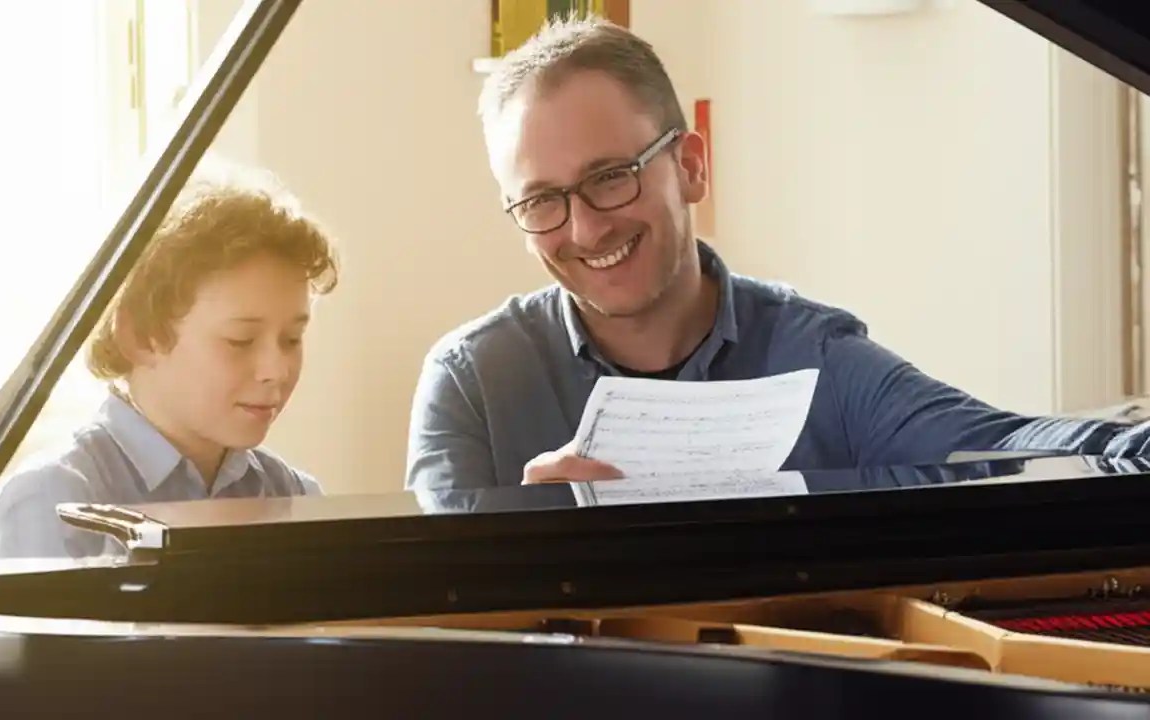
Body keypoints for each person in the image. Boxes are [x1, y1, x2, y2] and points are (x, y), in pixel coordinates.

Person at [405, 15, 1150, 491]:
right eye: (542, 200)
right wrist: (516, 541)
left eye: (610, 177)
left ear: (691, 166)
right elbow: (425, 636)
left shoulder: (818, 357)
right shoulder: (472, 384)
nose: (584, 229)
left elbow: (1009, 444)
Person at [0, 168, 339, 558]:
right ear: (141, 337)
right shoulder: (49, 502)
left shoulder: (295, 496)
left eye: (292, 339)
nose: (277, 370)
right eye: (240, 341)